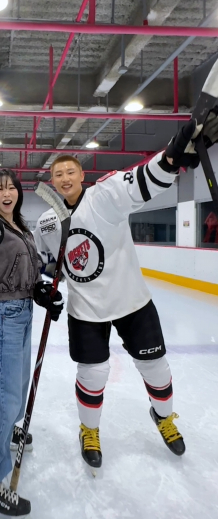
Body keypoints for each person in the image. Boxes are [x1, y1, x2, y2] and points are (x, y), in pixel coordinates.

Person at [34, 116, 218, 472]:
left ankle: (163, 417)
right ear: (52, 181)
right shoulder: (46, 222)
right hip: (85, 309)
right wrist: (42, 285)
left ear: (82, 175)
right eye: (58, 174)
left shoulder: (105, 195)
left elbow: (142, 181)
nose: (65, 178)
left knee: (156, 368)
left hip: (132, 301)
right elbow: (47, 262)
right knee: (93, 374)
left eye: (70, 171)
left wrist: (169, 159)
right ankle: (89, 430)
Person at [0, 169, 63, 519]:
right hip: (5, 316)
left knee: (15, 394)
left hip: (22, 314)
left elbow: (30, 268)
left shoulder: (21, 226)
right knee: (4, 402)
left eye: (11, 188)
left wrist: (40, 290)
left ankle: (3, 435)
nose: (7, 193)